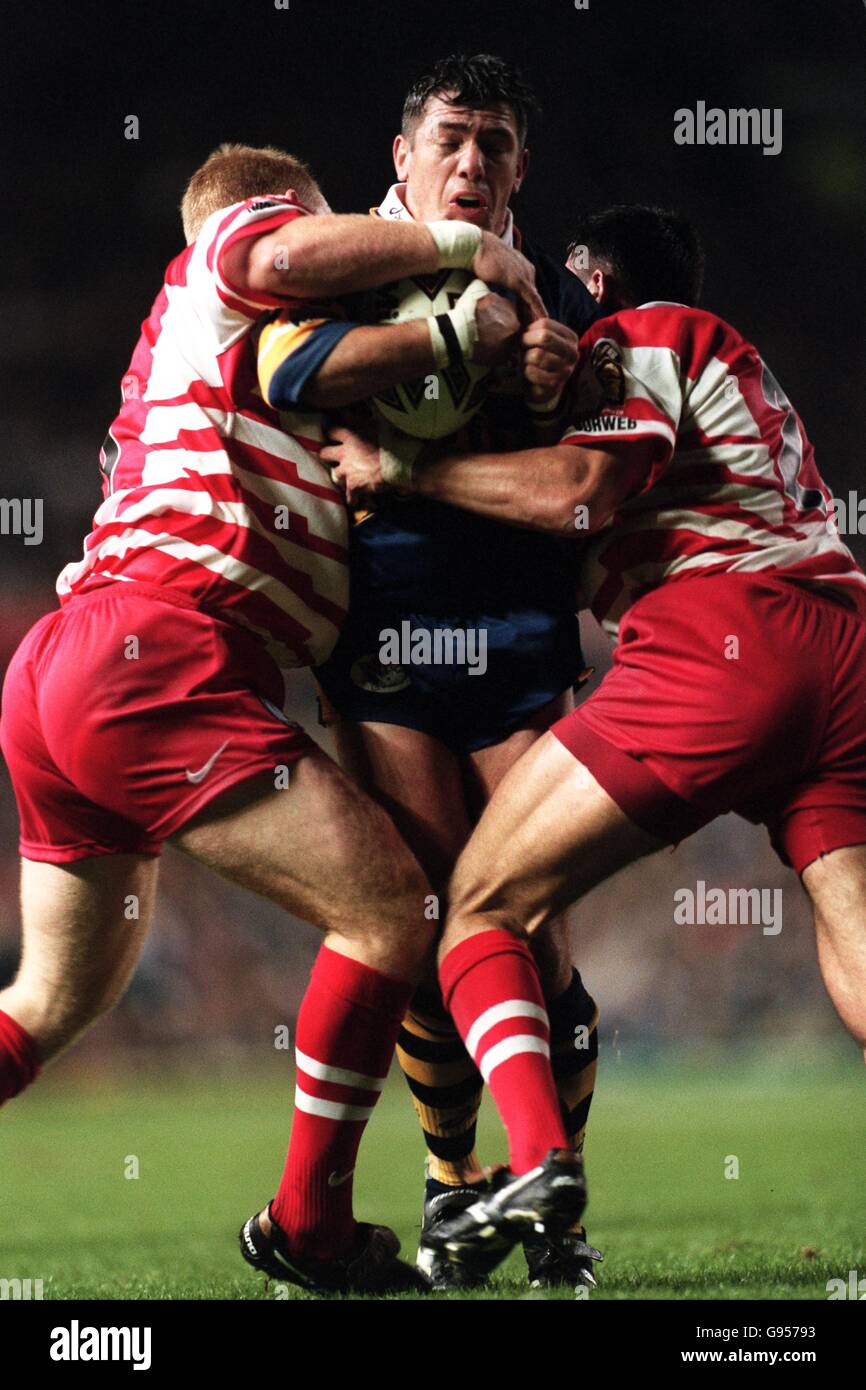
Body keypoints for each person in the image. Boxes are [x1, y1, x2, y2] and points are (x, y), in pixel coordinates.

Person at [0, 142, 543, 1296]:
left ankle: (316, 1221)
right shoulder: (236, 253)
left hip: (79, 667)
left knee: (43, 1007)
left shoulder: (247, 360)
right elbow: (286, 248)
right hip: (161, 657)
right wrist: (467, 248)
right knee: (394, 907)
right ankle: (309, 1225)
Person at [323, 203, 866, 1277]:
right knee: (850, 919)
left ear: (591, 281)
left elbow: (578, 493)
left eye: (560, 288)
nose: (547, 313)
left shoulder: (642, 334)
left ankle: (533, 1166)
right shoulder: (734, 372)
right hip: (842, 651)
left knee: (478, 904)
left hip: (728, 639)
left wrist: (404, 473)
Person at [310, 52, 604, 1290]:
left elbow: (593, 489)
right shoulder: (336, 259)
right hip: (383, 642)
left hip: (521, 637)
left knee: (525, 932)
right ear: (402, 157)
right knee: (434, 914)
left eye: (494, 144)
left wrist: (562, 380)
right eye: (450, 138)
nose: (471, 162)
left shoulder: (563, 302)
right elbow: (281, 379)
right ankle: (450, 1177)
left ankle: (550, 1204)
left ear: (519, 169)